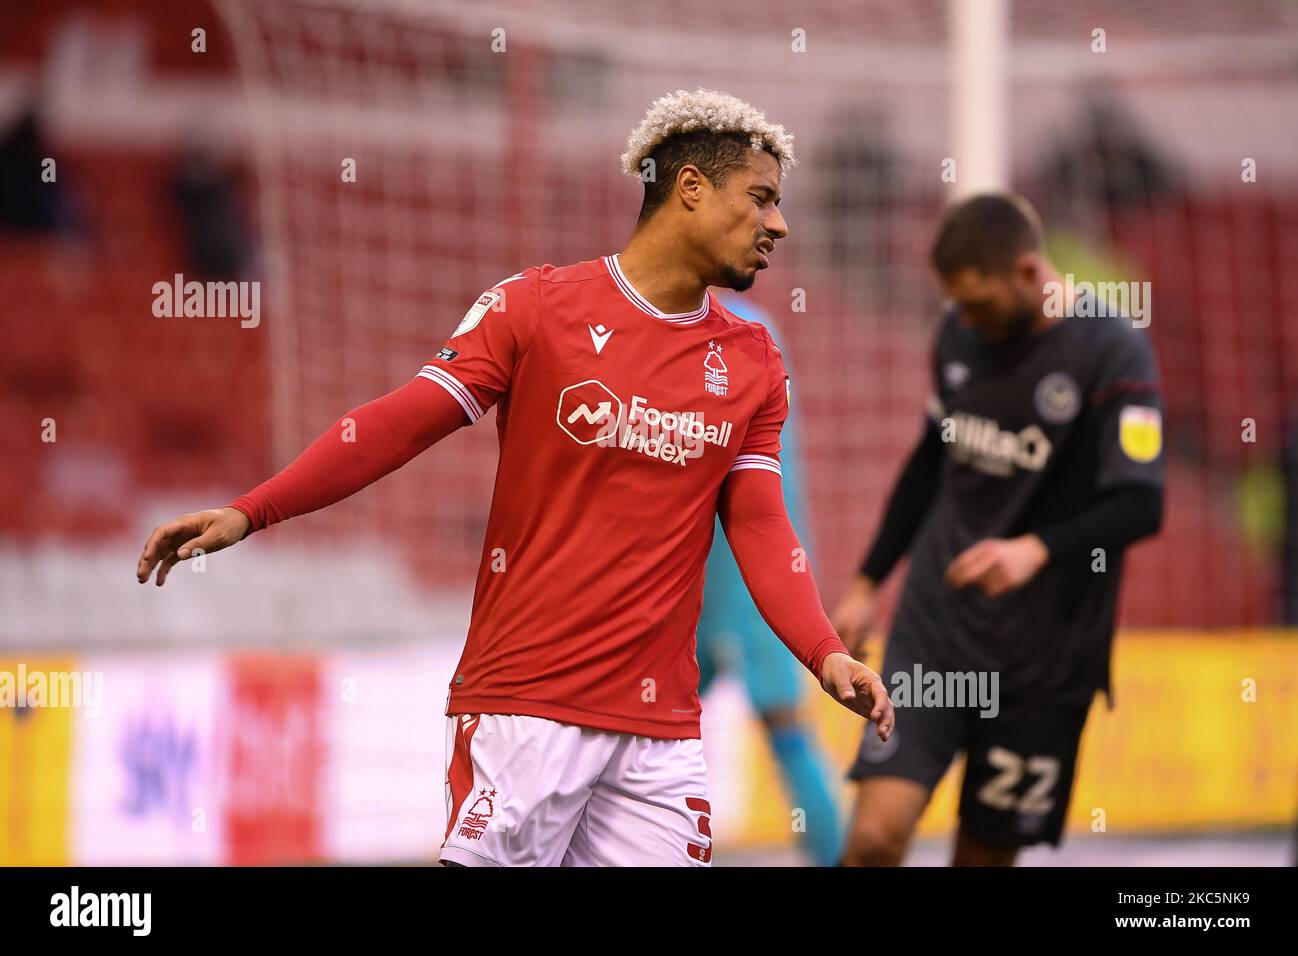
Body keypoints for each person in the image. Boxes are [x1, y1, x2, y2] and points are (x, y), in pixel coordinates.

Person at [136, 89, 894, 867]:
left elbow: (763, 525)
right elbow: (398, 424)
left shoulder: (754, 361)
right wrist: (251, 512)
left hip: (660, 735)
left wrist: (825, 652)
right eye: (762, 199)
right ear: (691, 187)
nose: (779, 224)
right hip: (524, 711)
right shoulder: (535, 307)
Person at [833, 194, 1163, 866]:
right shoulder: (960, 331)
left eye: (981, 305)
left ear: (1027, 272)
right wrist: (868, 581)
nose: (970, 322)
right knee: (872, 839)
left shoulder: (1115, 353)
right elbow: (930, 462)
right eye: (961, 306)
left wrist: (1036, 550)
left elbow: (1141, 506)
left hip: (1046, 662)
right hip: (939, 633)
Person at [697, 293, 843, 866]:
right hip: (764, 562)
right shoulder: (761, 329)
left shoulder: (696, 326)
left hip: (710, 569)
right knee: (786, 729)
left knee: (638, 732)